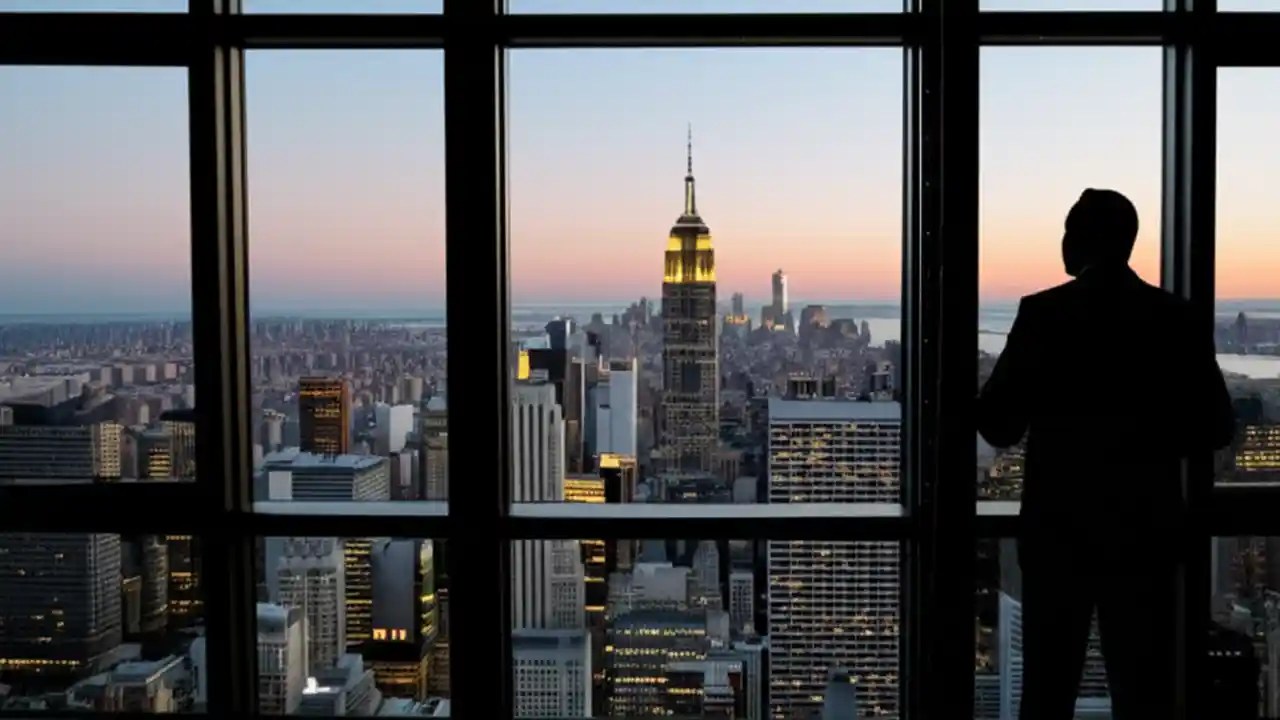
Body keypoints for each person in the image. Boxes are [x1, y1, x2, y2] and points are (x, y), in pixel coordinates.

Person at [977, 188, 1235, 720]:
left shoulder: (1044, 315)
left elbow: (999, 425)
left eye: (1069, 231)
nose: (1063, 243)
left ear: (1085, 239)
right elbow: (1215, 427)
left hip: (1058, 540)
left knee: (1046, 694)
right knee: (1145, 695)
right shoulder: (1174, 318)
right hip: (1146, 539)